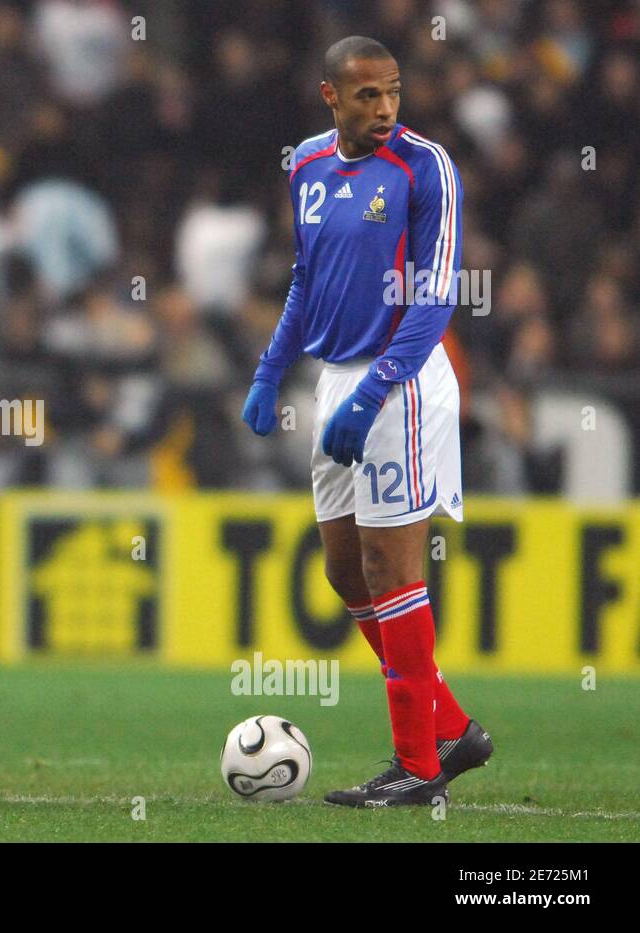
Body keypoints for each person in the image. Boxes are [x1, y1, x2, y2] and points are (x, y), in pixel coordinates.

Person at [241, 36, 493, 807]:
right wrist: (268, 369)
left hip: (404, 380)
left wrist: (376, 388)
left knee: (392, 570)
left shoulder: (427, 167)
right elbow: (305, 281)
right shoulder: (308, 167)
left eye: (392, 93)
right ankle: (452, 728)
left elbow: (437, 297)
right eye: (366, 96)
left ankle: (419, 767)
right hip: (336, 378)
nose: (384, 109)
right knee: (345, 571)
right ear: (331, 97)